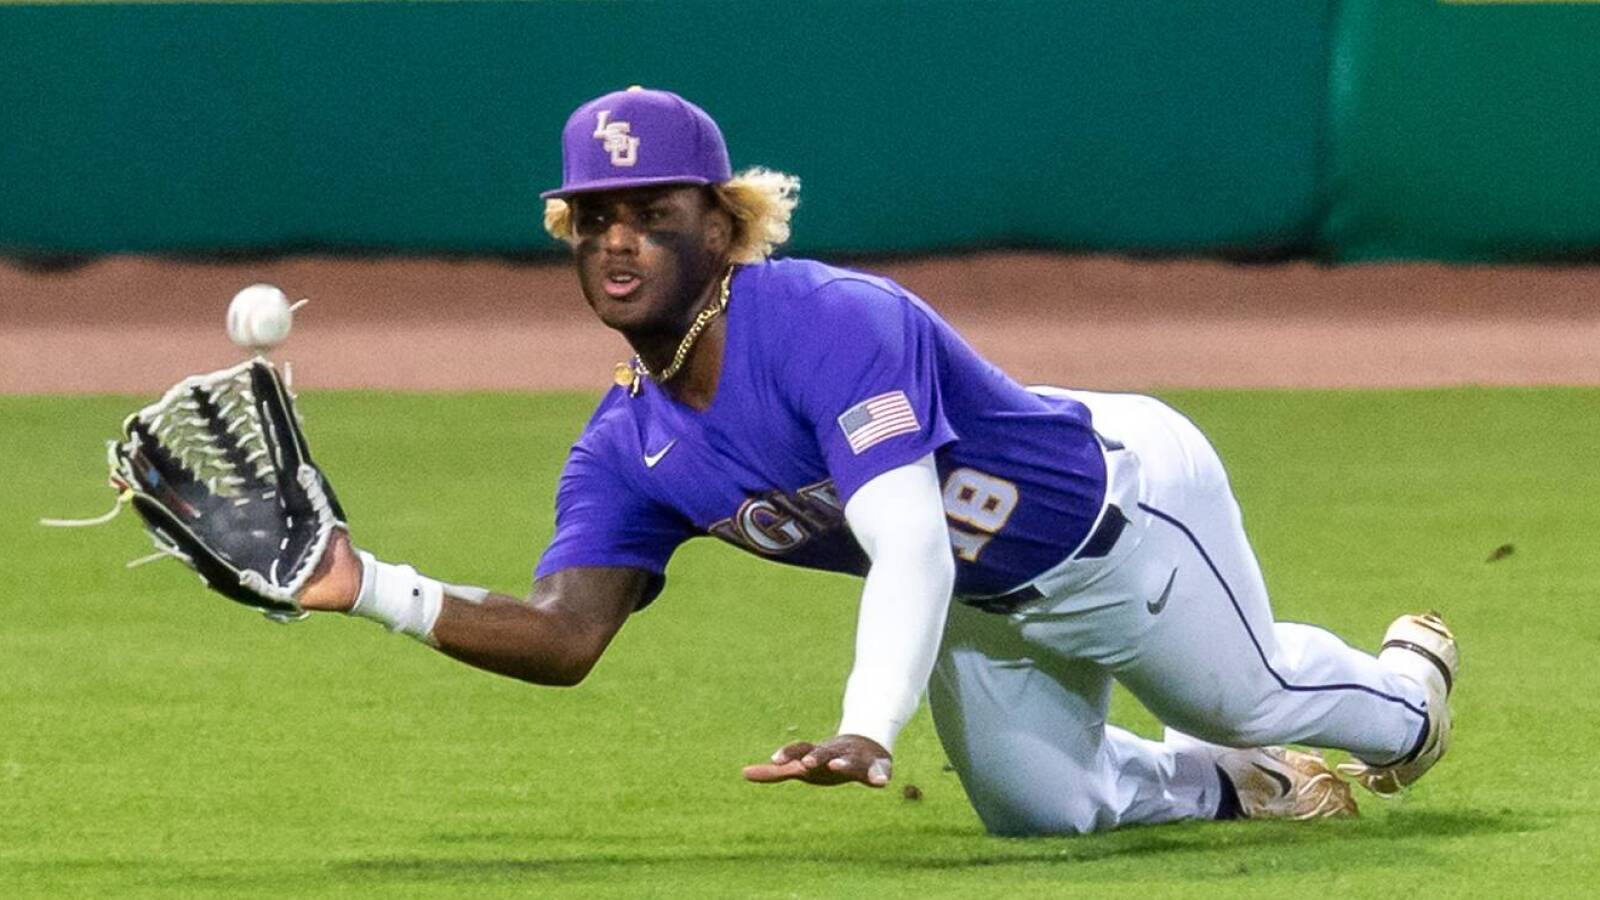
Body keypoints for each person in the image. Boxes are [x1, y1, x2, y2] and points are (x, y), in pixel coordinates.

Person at [298, 87, 1459, 834]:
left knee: (1247, 693)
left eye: (652, 211)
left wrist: (867, 724)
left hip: (1118, 522)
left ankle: (1410, 696)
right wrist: (368, 587)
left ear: (721, 224)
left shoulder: (829, 322)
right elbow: (563, 636)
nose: (618, 238)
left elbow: (910, 544)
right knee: (1042, 814)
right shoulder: (624, 446)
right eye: (594, 216)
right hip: (980, 606)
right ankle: (1239, 782)